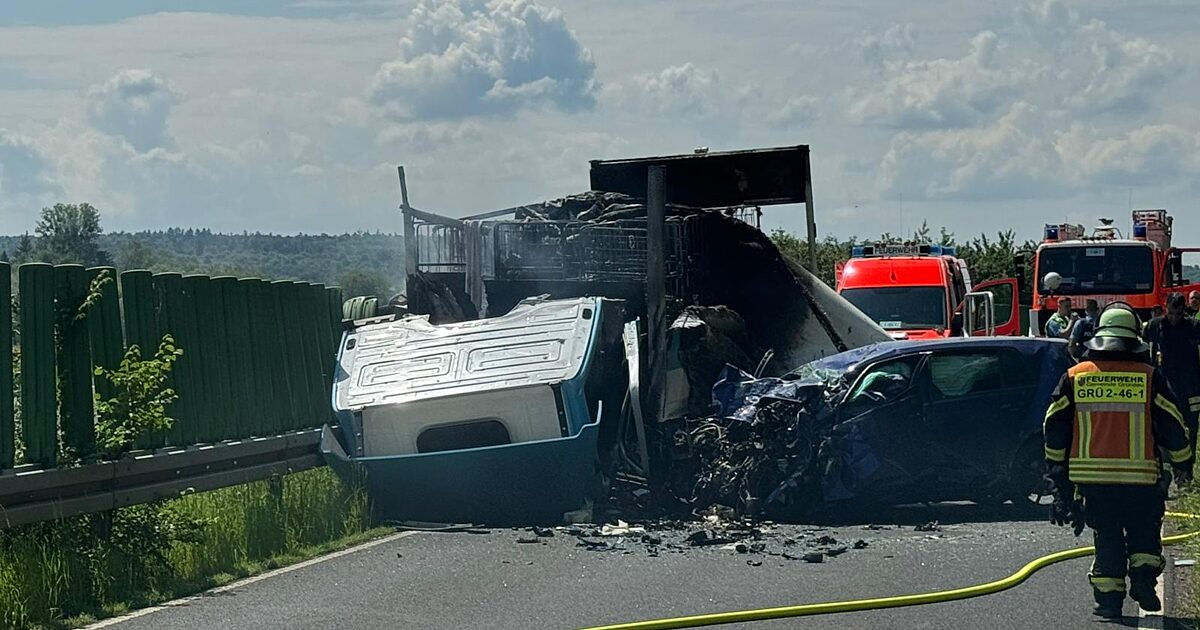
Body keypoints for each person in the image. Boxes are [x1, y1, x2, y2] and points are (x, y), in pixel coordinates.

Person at [1044, 304, 1193, 617]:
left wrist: (1057, 474)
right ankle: (1143, 581)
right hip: (1141, 480)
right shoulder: (1150, 378)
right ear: (1134, 339)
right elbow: (1173, 425)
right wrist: (1183, 465)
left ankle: (1110, 601)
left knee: (1107, 536)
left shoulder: (1075, 377)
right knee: (1144, 534)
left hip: (1094, 481)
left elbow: (1054, 426)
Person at [1144, 293, 1200, 463]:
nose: (1174, 318)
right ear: (1165, 309)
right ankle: (1165, 463)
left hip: (1190, 384)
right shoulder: (1155, 326)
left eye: (1178, 313)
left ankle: (1188, 466)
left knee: (1191, 424)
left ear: (1184, 310)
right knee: (1162, 423)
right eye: (1170, 313)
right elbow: (1146, 350)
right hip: (1163, 383)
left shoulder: (1194, 326)